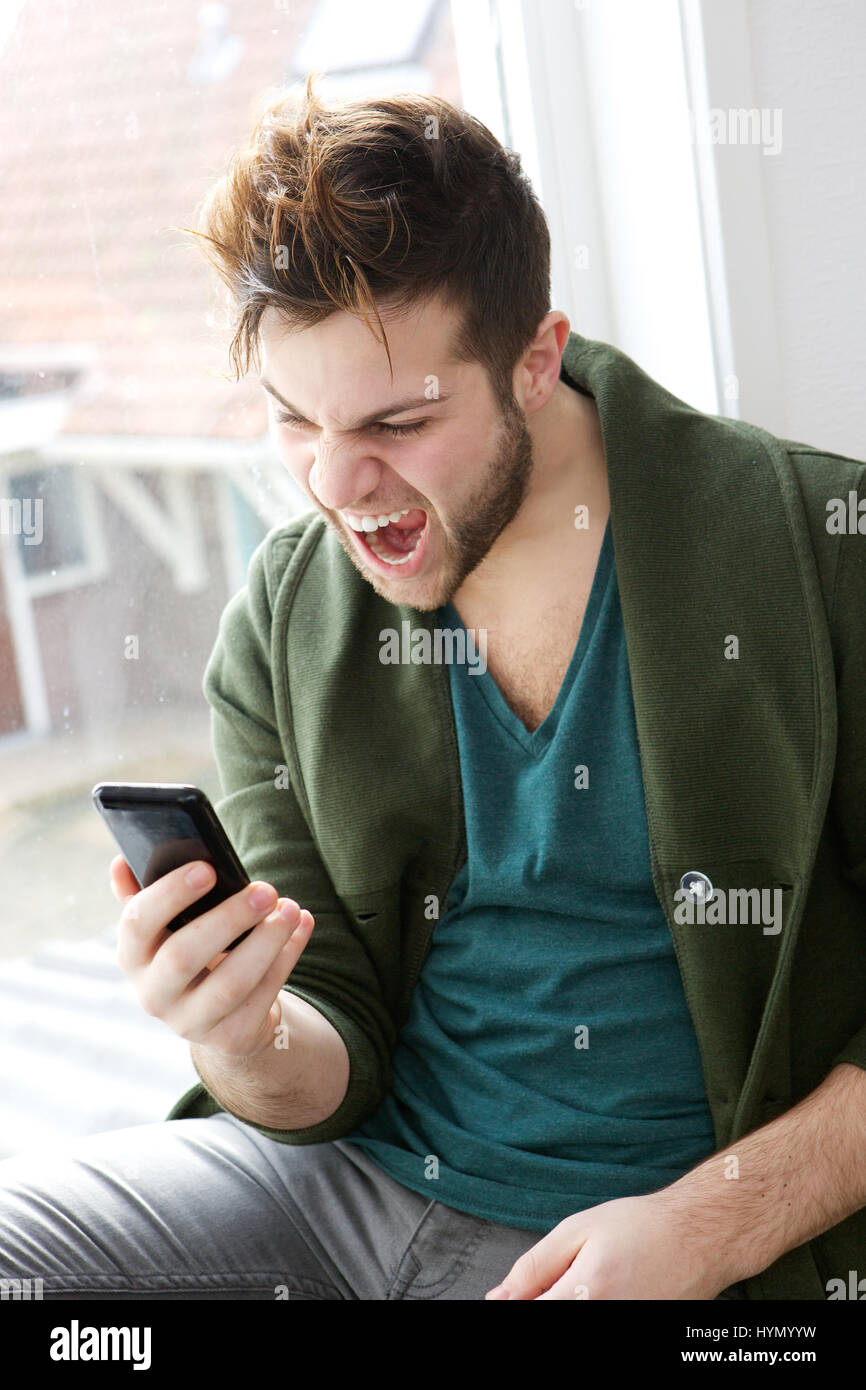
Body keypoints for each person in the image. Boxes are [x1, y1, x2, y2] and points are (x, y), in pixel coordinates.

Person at [1, 76, 864, 1302]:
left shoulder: (825, 552)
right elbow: (326, 1047)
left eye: (398, 422)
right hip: (342, 1181)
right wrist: (238, 1033)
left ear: (535, 360)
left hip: (646, 1231)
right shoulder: (289, 616)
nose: (336, 484)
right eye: (294, 420)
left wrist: (714, 1226)